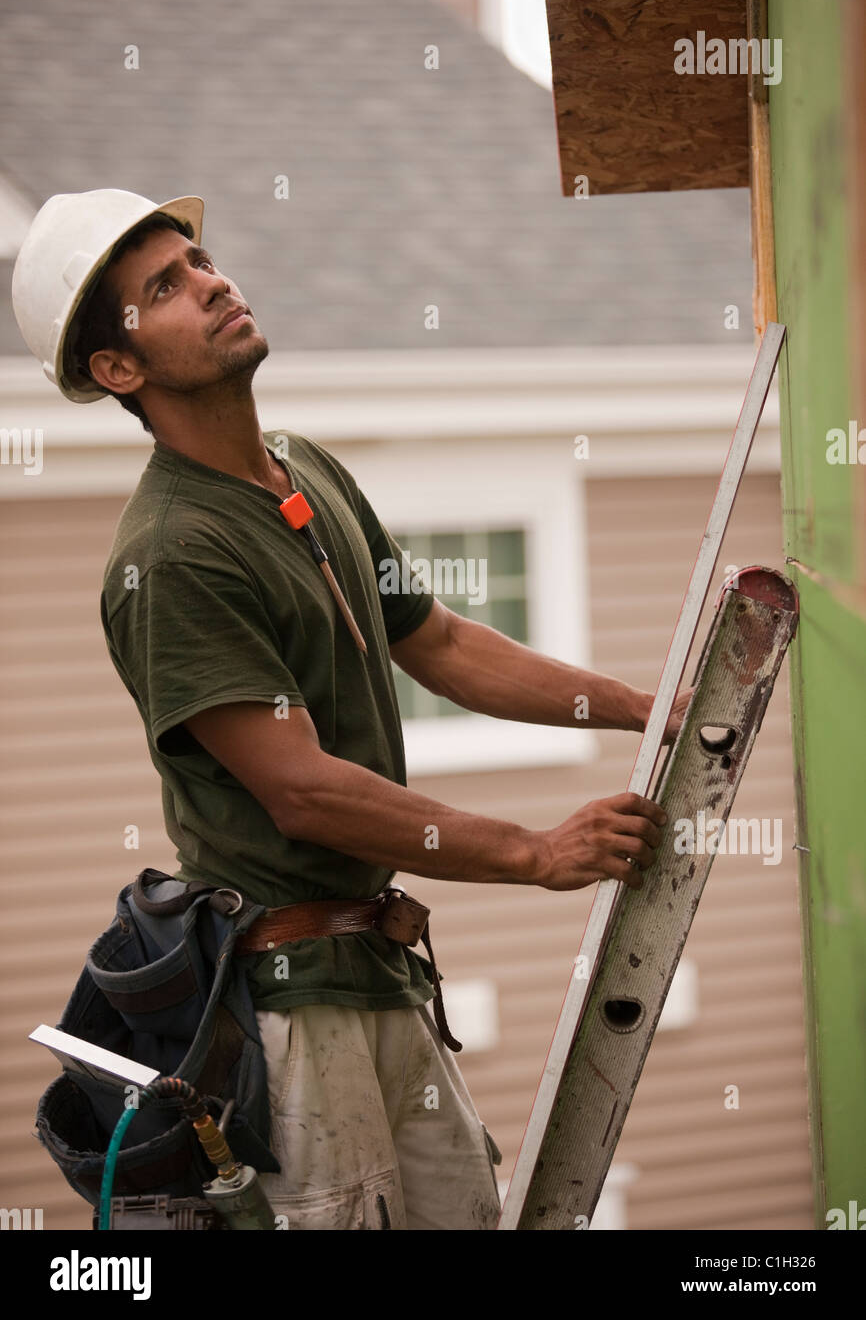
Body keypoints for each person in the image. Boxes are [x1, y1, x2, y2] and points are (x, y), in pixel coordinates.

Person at [12, 189, 688, 1230]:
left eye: (198, 262)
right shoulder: (174, 553)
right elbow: (302, 792)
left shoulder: (307, 470)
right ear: (118, 368)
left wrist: (643, 708)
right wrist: (535, 851)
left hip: (375, 969)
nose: (210, 284)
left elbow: (445, 645)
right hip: (287, 1010)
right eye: (164, 288)